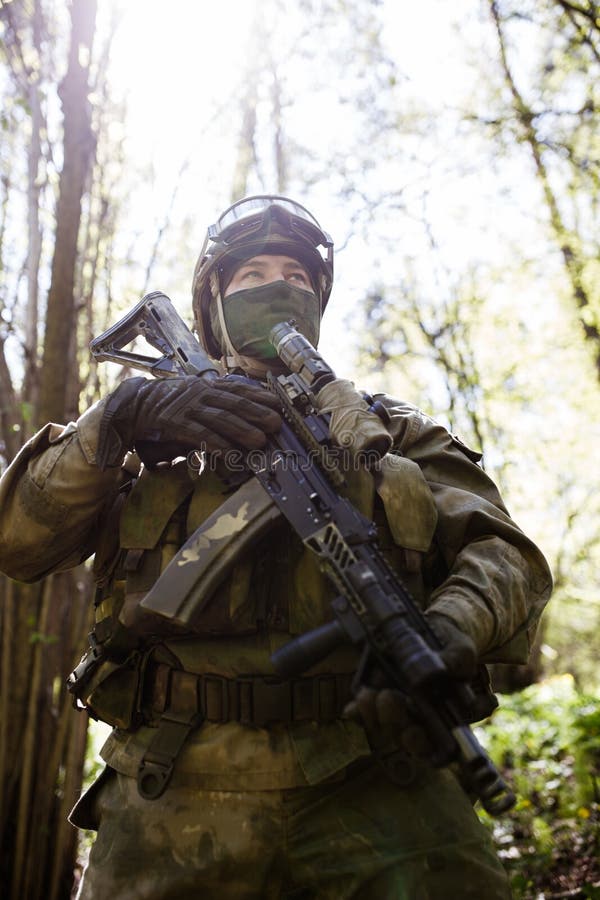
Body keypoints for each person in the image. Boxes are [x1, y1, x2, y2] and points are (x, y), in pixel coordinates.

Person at [0, 195, 552, 899]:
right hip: (172, 783)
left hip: (381, 772)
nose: (277, 287)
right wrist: (118, 419)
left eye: (295, 275)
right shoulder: (148, 437)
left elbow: (508, 556)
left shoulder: (390, 433)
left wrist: (452, 628)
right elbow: (18, 543)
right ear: (213, 304)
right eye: (251, 275)